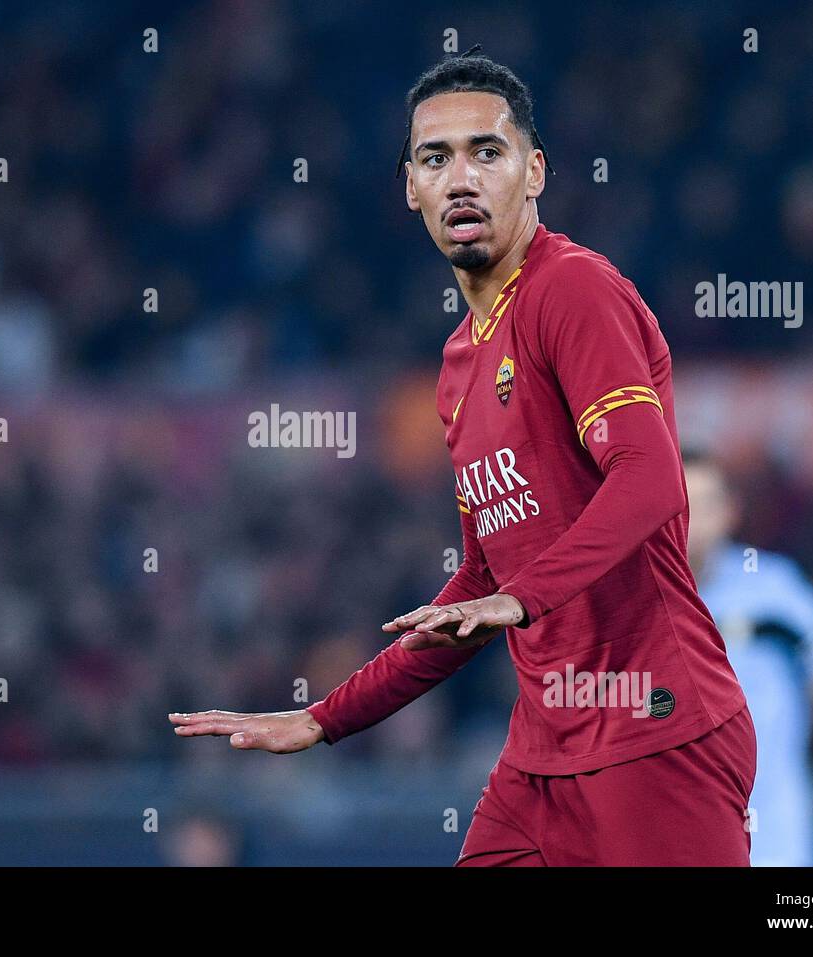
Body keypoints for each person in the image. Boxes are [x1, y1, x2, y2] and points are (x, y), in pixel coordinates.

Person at [170, 49, 754, 866]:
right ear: (411, 187)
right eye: (436, 159)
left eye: (488, 151)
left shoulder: (573, 292)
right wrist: (325, 718)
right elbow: (481, 582)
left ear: (535, 171)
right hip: (542, 758)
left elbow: (650, 478)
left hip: (656, 735)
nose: (462, 178)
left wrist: (522, 598)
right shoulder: (456, 368)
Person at [684, 450, 813, 866]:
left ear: (729, 512)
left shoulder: (778, 593)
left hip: (775, 848)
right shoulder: (631, 599)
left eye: (705, 505)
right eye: (680, 503)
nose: (692, 523)